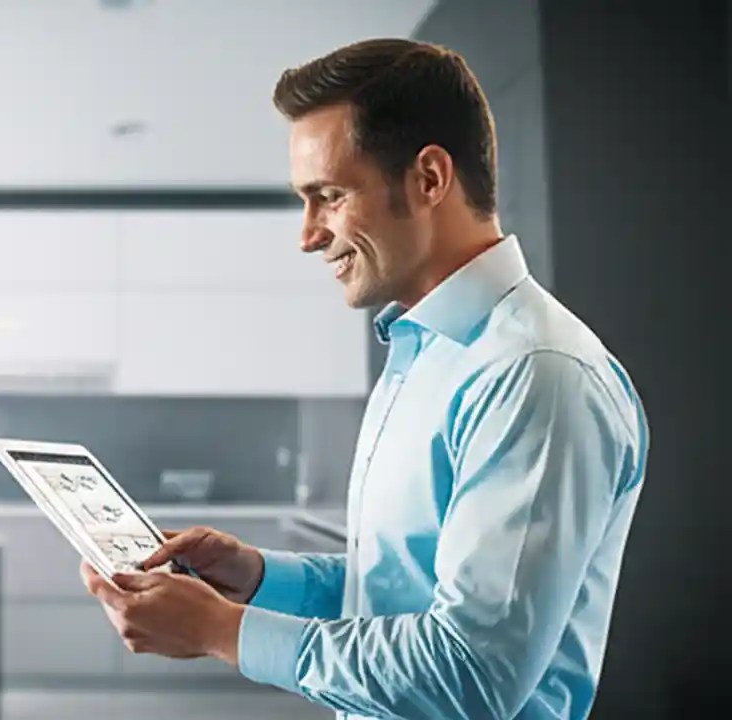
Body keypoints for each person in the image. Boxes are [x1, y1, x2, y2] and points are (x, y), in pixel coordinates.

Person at [80, 37, 648, 720]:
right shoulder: (426, 351)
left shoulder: (534, 375)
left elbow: (469, 674)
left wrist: (218, 629)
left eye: (329, 196)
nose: (309, 234)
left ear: (430, 179)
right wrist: (257, 579)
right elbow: (402, 595)